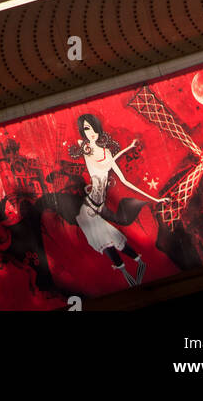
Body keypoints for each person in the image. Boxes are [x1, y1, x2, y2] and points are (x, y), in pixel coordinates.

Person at [68, 112, 167, 287]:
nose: (89, 132)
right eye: (85, 129)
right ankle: (129, 276)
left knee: (114, 238)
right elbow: (94, 157)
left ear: (97, 128)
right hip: (89, 210)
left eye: (91, 127)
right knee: (108, 241)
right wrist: (125, 149)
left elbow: (126, 181)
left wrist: (155, 200)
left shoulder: (105, 152)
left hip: (97, 208)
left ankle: (138, 264)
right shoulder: (87, 150)